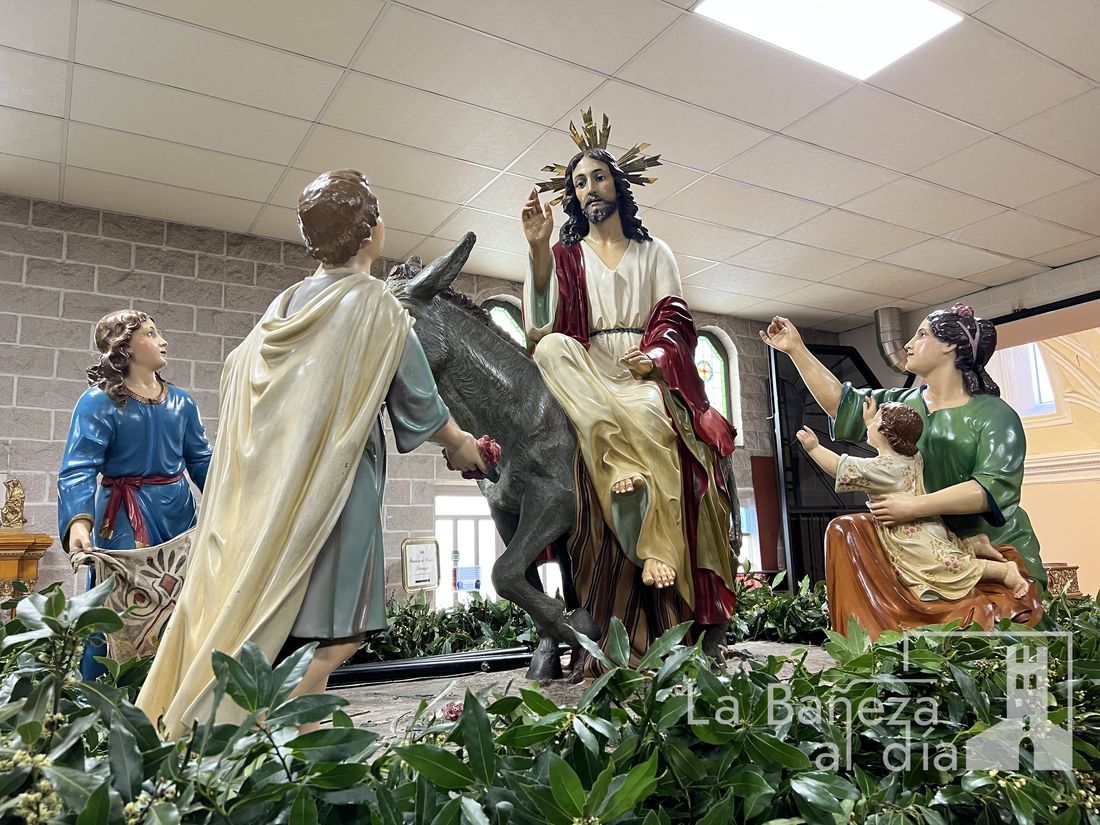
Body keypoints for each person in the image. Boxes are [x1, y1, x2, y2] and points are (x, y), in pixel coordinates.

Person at [137, 170, 486, 737]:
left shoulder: (283, 306)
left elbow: (239, 375)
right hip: (337, 486)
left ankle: (288, 729)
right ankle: (302, 737)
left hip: (274, 494)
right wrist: (463, 446)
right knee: (338, 631)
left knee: (287, 621)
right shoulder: (375, 305)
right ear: (370, 231)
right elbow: (420, 401)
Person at [521, 115, 738, 668]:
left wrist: (659, 356)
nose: (589, 189)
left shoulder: (654, 251)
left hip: (642, 375)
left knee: (654, 422)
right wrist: (539, 251)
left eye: (597, 177)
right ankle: (616, 464)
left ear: (618, 183)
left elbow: (676, 319)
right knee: (550, 352)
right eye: (579, 183)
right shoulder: (567, 256)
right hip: (587, 372)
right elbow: (539, 328)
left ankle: (659, 542)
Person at [760, 304, 1046, 597]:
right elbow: (841, 404)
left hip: (995, 544)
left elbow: (990, 489)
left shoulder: (995, 415)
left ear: (949, 345)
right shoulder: (898, 405)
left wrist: (914, 507)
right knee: (847, 535)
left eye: (921, 334)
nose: (908, 345)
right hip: (920, 548)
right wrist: (796, 349)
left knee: (1003, 630)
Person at [58, 309, 212, 677]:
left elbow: (202, 461)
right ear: (124, 346)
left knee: (181, 599)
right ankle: (107, 690)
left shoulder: (181, 402)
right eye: (151, 333)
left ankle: (176, 688)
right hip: (124, 516)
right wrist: (79, 523)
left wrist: (234, 503)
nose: (163, 341)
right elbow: (79, 466)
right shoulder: (99, 402)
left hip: (178, 513)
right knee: (121, 601)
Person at [797, 397, 1030, 601]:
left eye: (877, 422)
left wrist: (814, 448)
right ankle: (975, 544)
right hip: (930, 524)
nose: (871, 426)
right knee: (945, 549)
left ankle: (1004, 572)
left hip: (910, 535)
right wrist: (871, 423)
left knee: (943, 567)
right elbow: (886, 439)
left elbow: (839, 468)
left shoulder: (884, 468)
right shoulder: (911, 456)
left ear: (885, 433)